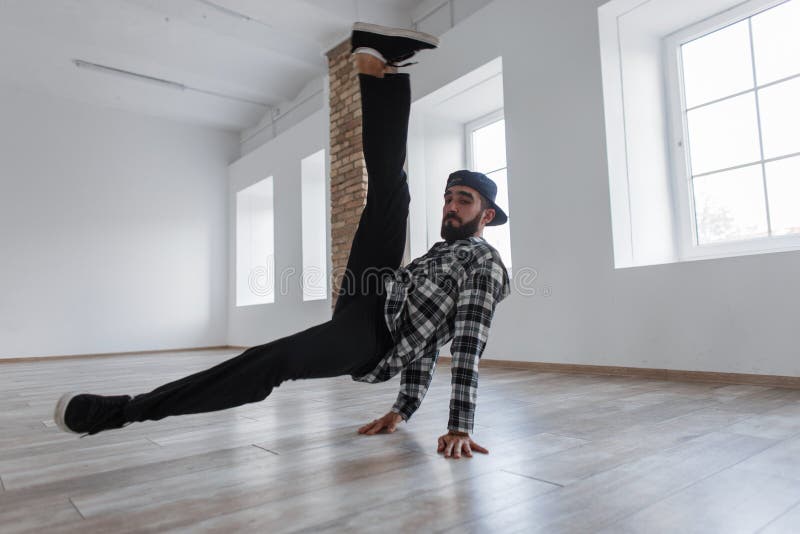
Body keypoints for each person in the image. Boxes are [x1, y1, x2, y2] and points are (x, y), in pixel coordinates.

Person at [54, 22, 511, 460]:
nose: (451, 206)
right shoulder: (443, 251)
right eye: (449, 197)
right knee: (391, 190)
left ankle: (122, 412)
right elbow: (428, 336)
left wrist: (459, 426)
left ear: (487, 215)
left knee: (272, 361)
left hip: (375, 339)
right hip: (374, 291)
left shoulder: (485, 265)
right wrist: (403, 410)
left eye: (464, 200)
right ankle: (380, 70)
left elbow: (463, 344)